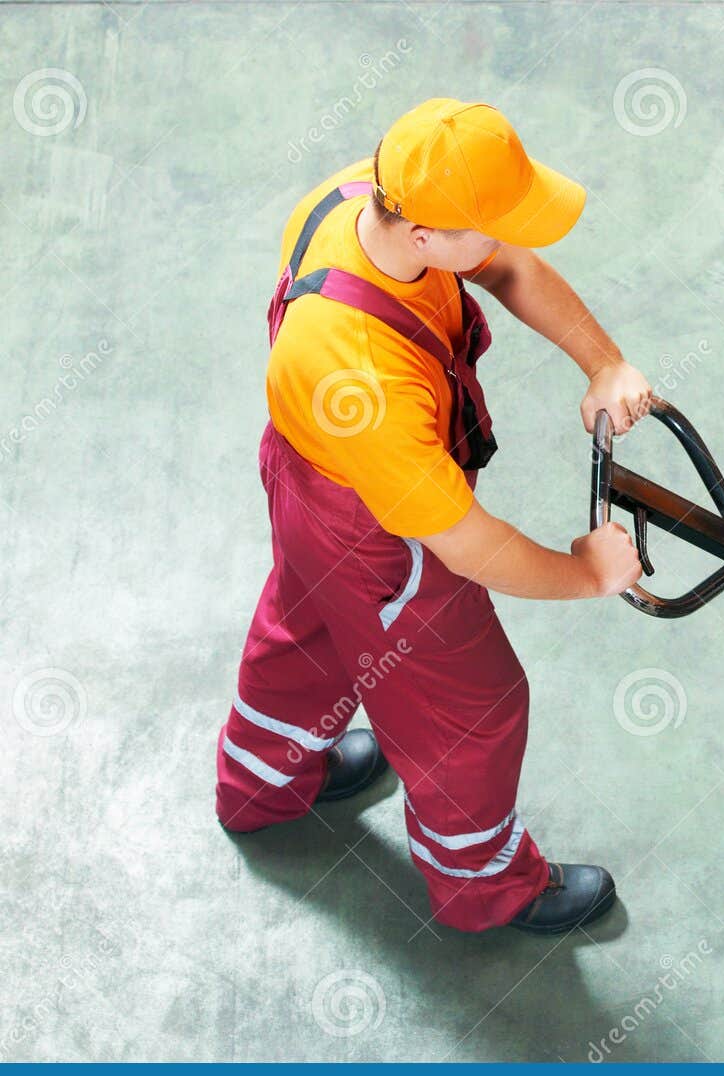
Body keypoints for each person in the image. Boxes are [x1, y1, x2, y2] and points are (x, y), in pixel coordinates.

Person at [216, 98, 647, 936]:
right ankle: (486, 885)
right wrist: (590, 572)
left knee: (307, 628)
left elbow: (509, 267)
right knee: (473, 703)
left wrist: (605, 363)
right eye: (486, 229)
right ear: (425, 238)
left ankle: (261, 783)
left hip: (307, 481)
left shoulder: (356, 196)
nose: (499, 244)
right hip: (375, 535)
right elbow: (468, 544)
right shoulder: (365, 383)